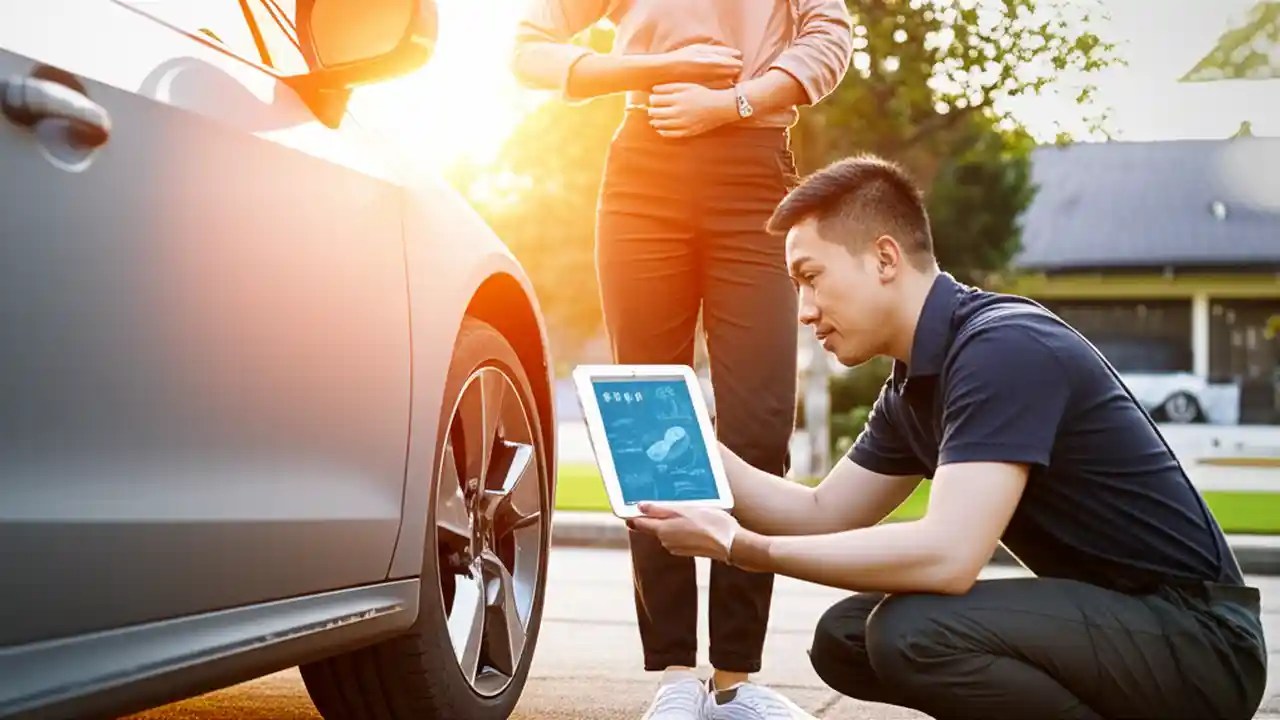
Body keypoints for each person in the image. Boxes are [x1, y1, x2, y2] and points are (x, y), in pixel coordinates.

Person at [631, 155, 1269, 720]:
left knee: (912, 633)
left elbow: (948, 556)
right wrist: (696, 447)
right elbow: (820, 512)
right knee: (847, 636)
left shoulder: (1002, 347)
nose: (803, 309)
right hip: (1115, 621)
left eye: (811, 276)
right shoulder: (916, 383)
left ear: (885, 258)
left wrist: (741, 548)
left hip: (1199, 644)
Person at [510, 2, 854, 718]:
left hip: (754, 172)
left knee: (758, 424)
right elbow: (531, 49)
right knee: (648, 418)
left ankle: (735, 680)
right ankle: (673, 673)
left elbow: (829, 38)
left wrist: (731, 101)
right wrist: (663, 70)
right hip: (644, 172)